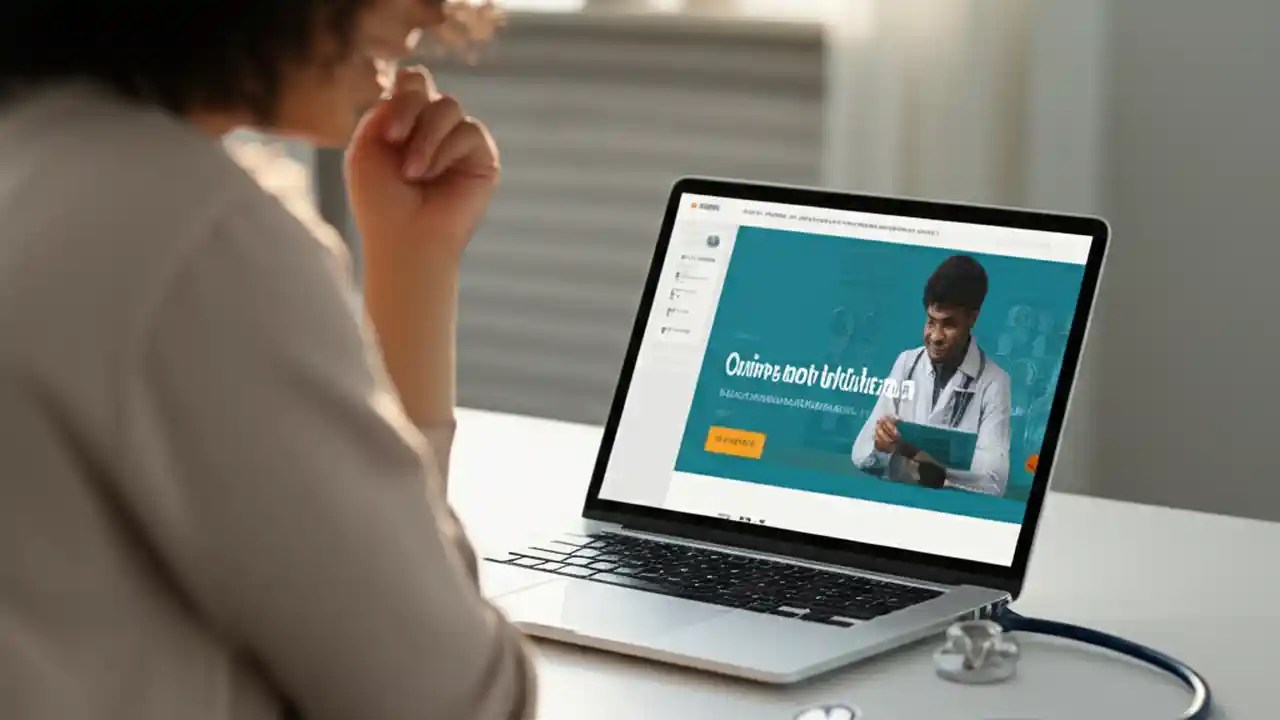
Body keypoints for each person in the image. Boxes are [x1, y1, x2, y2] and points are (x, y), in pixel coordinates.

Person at [0, 2, 533, 719]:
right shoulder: (190, 236)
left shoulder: (39, 162)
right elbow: (461, 700)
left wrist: (415, 261)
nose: (434, 10)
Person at [851, 255, 1012, 496]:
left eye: (948, 324)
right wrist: (881, 447)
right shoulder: (906, 362)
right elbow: (861, 452)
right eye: (930, 322)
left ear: (972, 318)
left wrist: (916, 459)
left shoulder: (994, 382)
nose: (935, 336)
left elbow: (993, 481)